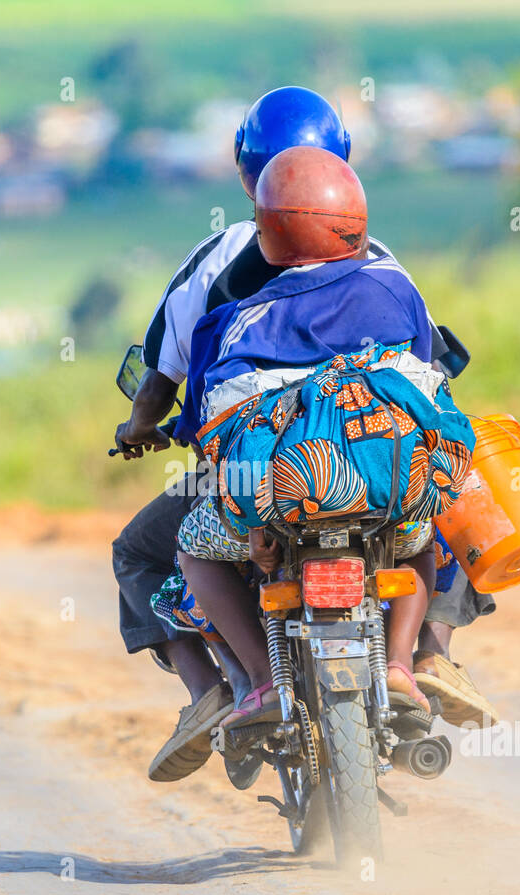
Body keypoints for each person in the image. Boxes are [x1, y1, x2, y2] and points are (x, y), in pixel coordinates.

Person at [110, 87, 493, 784]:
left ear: (259, 205)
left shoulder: (234, 306)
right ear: (348, 186)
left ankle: (227, 689)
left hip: (273, 487)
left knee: (155, 549)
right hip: (378, 481)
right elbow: (432, 377)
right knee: (446, 505)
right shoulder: (390, 275)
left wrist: (142, 430)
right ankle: (420, 657)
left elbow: (191, 395)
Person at [170, 146, 476, 727]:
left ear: (268, 232)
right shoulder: (394, 289)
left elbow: (218, 439)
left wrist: (256, 521)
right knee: (420, 535)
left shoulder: (233, 321)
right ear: (357, 220)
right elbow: (428, 388)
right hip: (384, 494)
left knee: (191, 547)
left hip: (284, 502)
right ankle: (405, 663)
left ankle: (260, 681)